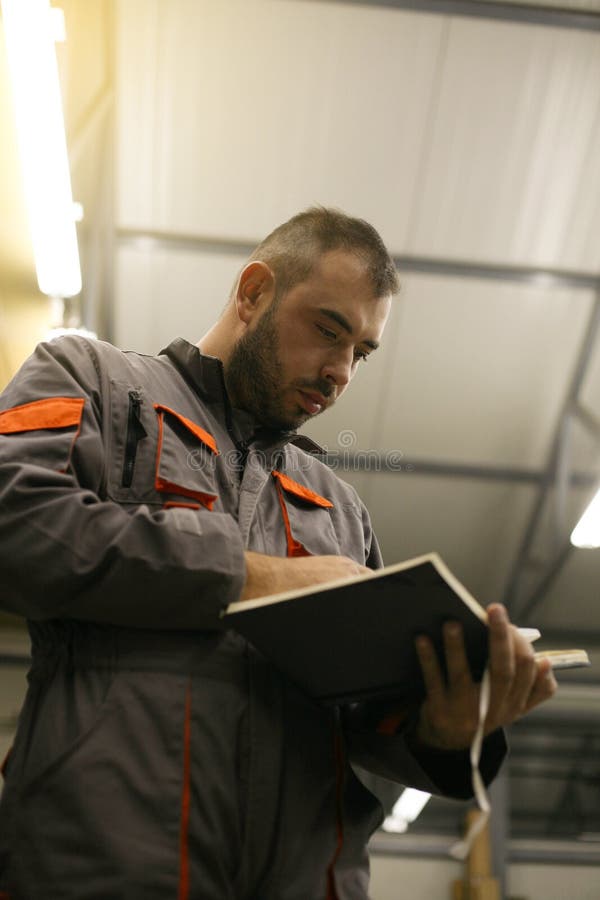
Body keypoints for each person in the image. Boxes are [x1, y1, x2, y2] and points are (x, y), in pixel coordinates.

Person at [0, 207, 556, 899]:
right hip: (99, 866)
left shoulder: (340, 509)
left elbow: (367, 715)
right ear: (254, 292)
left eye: (362, 353)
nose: (342, 371)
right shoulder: (92, 379)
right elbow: (15, 519)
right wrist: (251, 577)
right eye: (328, 330)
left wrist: (441, 731)